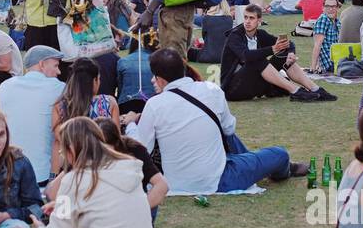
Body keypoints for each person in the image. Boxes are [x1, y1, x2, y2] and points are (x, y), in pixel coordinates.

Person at [124, 48, 307, 193]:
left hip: (176, 181)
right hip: (220, 179)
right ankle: (281, 170)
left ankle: (251, 163)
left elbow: (142, 149)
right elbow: (229, 129)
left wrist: (132, 124)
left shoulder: (154, 105)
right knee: (279, 154)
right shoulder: (211, 90)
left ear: (160, 80)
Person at [27, 117, 158, 228]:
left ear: (71, 150)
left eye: (62, 150)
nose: (61, 155)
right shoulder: (128, 169)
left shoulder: (73, 180)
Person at [220, 5, 333, 102]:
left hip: (252, 83)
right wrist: (272, 49)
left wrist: (291, 53)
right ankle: (295, 91)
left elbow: (288, 43)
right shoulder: (235, 36)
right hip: (233, 89)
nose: (247, 21)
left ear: (259, 21)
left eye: (251, 18)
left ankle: (315, 89)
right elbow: (246, 56)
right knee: (257, 59)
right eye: (245, 17)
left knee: (283, 53)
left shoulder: (260, 34)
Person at [0, 44, 66, 183]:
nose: (58, 72)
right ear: (42, 64)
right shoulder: (58, 88)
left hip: (9, 172)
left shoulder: (5, 87)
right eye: (55, 66)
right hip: (43, 174)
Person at [49, 57, 118, 173]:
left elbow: (59, 140)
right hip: (102, 168)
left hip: (69, 170)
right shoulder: (109, 103)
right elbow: (116, 140)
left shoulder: (60, 106)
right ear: (95, 81)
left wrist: (53, 178)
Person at [309, 0, 343, 74]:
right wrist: (313, 68)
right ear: (323, 8)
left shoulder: (336, 21)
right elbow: (317, 45)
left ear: (337, 8)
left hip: (337, 60)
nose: (330, 9)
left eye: (333, 6)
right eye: (327, 6)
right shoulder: (323, 20)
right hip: (330, 64)